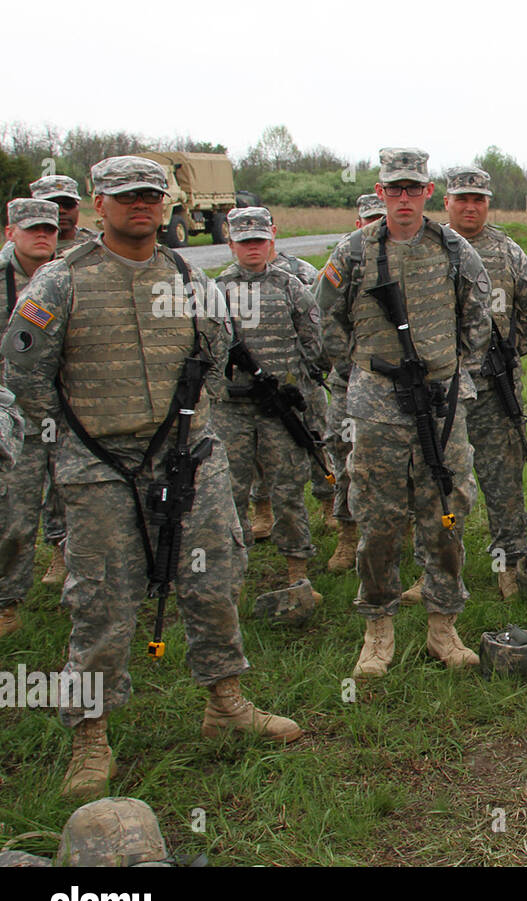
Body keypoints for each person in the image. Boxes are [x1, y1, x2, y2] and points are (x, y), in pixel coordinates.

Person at [1, 156, 302, 800]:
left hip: (189, 457)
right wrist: (77, 444)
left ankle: (226, 703)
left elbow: (216, 355)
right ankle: (90, 735)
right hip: (99, 466)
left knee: (214, 578)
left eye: (151, 196)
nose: (141, 206)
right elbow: (26, 380)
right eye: (126, 197)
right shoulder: (60, 284)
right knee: (100, 602)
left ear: (167, 205)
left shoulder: (191, 280)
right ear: (98, 203)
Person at [313, 147, 493, 677]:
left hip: (440, 403)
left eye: (414, 188)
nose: (405, 198)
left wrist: (454, 374)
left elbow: (478, 320)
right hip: (376, 406)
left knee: (446, 511)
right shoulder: (352, 252)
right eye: (395, 189)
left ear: (428, 192)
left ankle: (443, 626)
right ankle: (378, 629)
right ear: (382, 191)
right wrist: (363, 370)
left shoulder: (456, 251)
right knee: (378, 517)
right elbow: (324, 318)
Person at [431, 164, 527, 600]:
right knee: (438, 480)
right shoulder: (430, 247)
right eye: (461, 198)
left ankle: (508, 564)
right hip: (440, 388)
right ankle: (438, 569)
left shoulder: (507, 251)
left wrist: (511, 350)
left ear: (487, 204)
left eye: (478, 199)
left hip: (494, 387)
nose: (470, 206)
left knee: (502, 480)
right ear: (447, 202)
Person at [212, 207, 328, 603]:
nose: (253, 248)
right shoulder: (216, 290)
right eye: (244, 242)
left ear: (272, 240)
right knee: (232, 492)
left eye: (259, 241)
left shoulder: (291, 286)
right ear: (231, 244)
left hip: (279, 407)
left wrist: (304, 393)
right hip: (232, 410)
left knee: (288, 488)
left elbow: (315, 343)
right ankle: (234, 576)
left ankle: (298, 569)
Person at [0, 199, 61, 637]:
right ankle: (6, 603)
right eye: (31, 229)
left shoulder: (68, 277)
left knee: (85, 510)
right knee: (15, 518)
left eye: (49, 229)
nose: (42, 236)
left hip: (71, 415)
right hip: (17, 419)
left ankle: (77, 578)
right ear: (11, 232)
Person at [325, 193, 386, 573]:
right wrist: (349, 366)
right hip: (349, 380)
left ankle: (402, 531)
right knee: (344, 452)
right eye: (369, 219)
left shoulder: (410, 257)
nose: (375, 226)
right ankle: (348, 536)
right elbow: (326, 316)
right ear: (357, 222)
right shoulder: (346, 258)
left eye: (380, 218)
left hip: (396, 384)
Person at [30, 174, 98, 251]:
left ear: (77, 206)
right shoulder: (23, 247)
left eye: (68, 204)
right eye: (51, 206)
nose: (61, 211)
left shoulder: (98, 244)